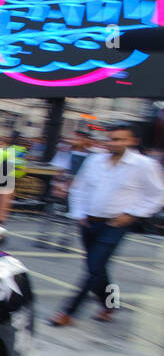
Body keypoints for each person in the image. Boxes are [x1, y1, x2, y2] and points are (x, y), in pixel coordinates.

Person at [50, 123, 164, 327]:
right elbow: (79, 188)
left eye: (120, 139)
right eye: (111, 139)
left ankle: (68, 311)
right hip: (89, 222)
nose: (114, 143)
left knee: (94, 267)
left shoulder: (143, 165)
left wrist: (132, 215)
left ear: (132, 141)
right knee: (98, 269)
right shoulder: (95, 161)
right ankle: (110, 304)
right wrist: (79, 213)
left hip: (116, 224)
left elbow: (157, 195)